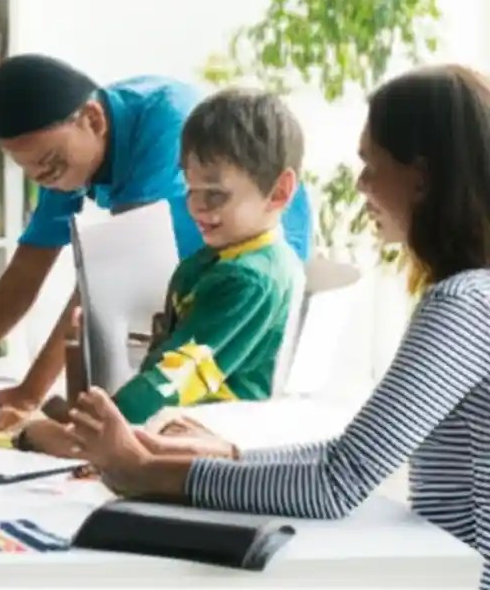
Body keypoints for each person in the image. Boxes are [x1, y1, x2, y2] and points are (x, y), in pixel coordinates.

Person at [57, 64, 490, 587]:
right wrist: (230, 455)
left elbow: (338, 481)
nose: (360, 184)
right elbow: (351, 455)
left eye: (370, 163)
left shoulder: (464, 303)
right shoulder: (473, 295)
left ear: (420, 176)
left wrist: (151, 473)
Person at [0, 55, 313, 424]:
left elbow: (108, 278)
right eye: (32, 172)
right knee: (143, 374)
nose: (45, 180)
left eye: (50, 164)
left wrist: (29, 394)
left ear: (93, 120)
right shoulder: (63, 158)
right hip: (196, 268)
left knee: (193, 382)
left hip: (250, 257)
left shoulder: (162, 122)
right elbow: (24, 273)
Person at [7, 88, 305, 438]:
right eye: (190, 189)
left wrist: (110, 420)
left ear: (280, 191)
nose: (197, 207)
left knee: (38, 436)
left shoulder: (249, 278)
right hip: (184, 416)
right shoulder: (222, 257)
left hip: (213, 428)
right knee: (56, 420)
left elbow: (182, 372)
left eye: (215, 194)